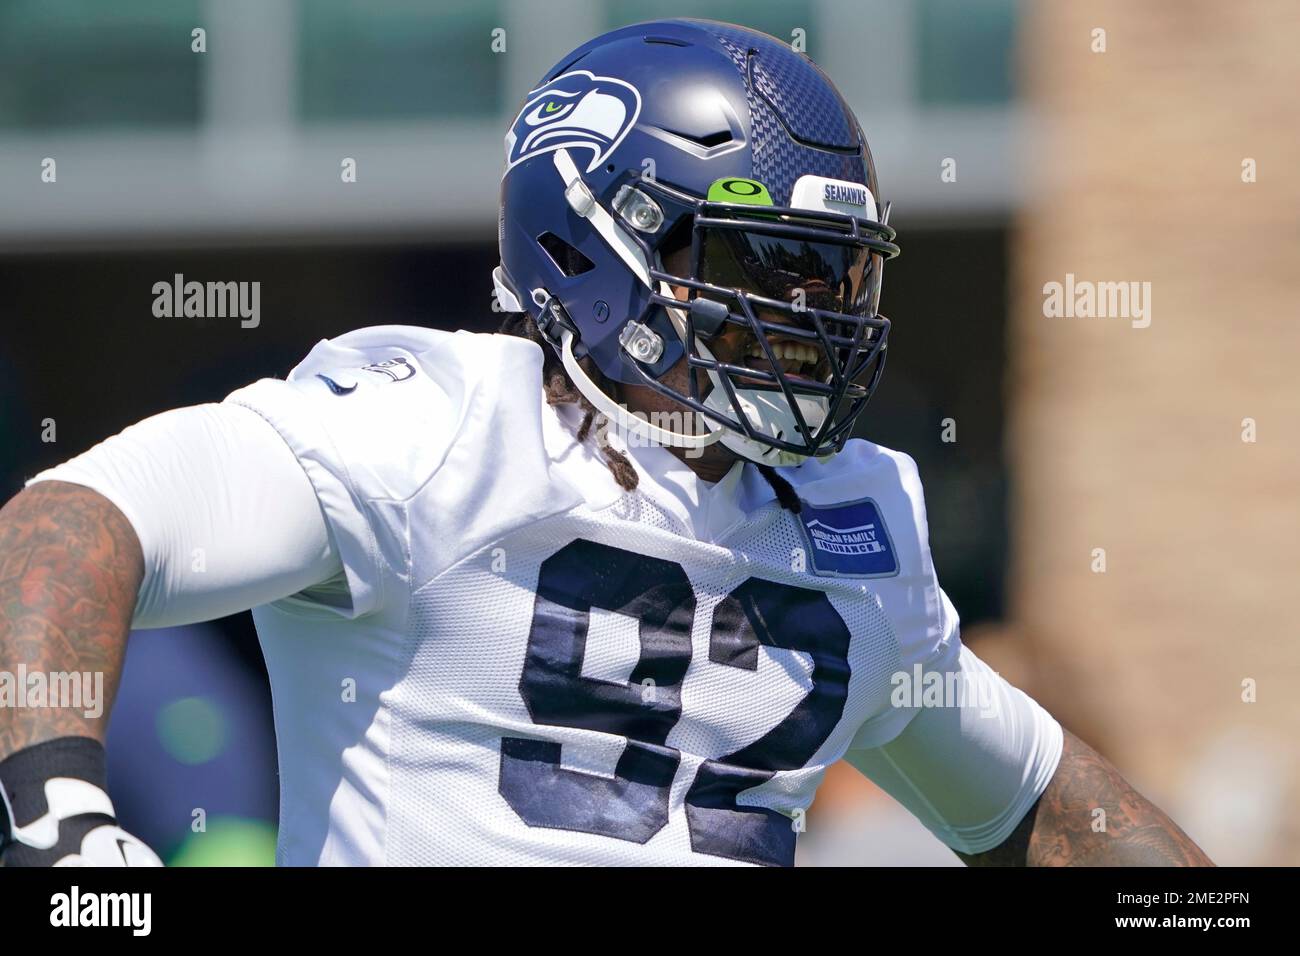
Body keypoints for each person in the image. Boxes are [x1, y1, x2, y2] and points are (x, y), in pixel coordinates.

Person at [0, 19, 1210, 867]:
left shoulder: (853, 524)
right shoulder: (435, 425)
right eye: (763, 265)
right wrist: (59, 810)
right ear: (592, 243)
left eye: (837, 274)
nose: (813, 318)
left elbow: (1045, 809)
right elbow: (76, 519)